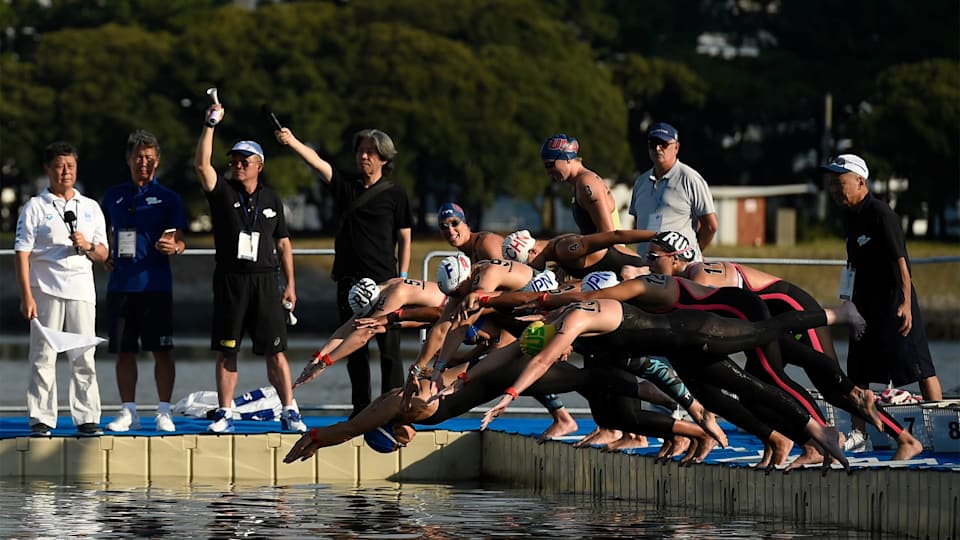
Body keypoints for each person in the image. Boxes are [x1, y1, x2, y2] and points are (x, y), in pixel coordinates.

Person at [479, 298, 864, 471]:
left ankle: (838, 313)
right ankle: (818, 432)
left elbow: (544, 358)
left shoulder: (573, 321)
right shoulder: (559, 319)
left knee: (768, 330)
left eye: (559, 351)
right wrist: (463, 376)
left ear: (549, 337)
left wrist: (510, 396)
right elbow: (514, 353)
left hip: (698, 331)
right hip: (686, 353)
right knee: (746, 387)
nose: (564, 356)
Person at [647, 230, 922, 460]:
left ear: (674, 258)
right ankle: (811, 441)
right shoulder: (687, 280)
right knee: (755, 390)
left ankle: (842, 441)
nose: (647, 263)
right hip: (768, 324)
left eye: (653, 256)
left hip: (790, 308)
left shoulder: (699, 277)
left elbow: (716, 327)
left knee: (821, 386)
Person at [283, 343, 721, 465]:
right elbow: (464, 371)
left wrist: (317, 437)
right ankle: (694, 422)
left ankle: (695, 418)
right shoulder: (409, 401)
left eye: (399, 443)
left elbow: (347, 430)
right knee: (605, 390)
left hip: (510, 363)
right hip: (507, 363)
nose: (407, 441)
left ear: (394, 430)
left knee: (602, 381)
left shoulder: (397, 407)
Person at [276, 126, 413, 417]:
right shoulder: (346, 187)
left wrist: (402, 275)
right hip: (349, 283)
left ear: (384, 158)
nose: (363, 156)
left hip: (384, 285)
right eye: (360, 151)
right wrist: (293, 141)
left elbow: (405, 237)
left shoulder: (396, 194)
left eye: (370, 152)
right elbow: (317, 162)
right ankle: (360, 409)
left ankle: (394, 407)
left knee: (389, 349)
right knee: (354, 352)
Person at [194, 102, 305, 434]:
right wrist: (210, 124)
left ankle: (289, 410)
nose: (237, 165)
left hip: (266, 282)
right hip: (230, 280)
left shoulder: (272, 198)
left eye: (245, 161)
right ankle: (225, 412)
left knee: (276, 352)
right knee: (228, 351)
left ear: (260, 165)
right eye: (234, 160)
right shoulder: (223, 192)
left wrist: (291, 285)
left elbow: (283, 243)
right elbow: (202, 165)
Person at [825, 154, 943, 442]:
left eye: (840, 183)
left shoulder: (881, 213)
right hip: (863, 305)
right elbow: (851, 265)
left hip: (894, 303)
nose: (834, 190)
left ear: (860, 182)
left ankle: (939, 432)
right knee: (858, 371)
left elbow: (900, 260)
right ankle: (859, 434)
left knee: (920, 367)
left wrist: (906, 302)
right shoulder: (850, 218)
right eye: (832, 184)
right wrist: (846, 300)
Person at [14, 141, 109, 437]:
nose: (65, 171)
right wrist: (26, 295)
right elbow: (22, 252)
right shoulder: (34, 207)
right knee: (43, 356)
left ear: (76, 168)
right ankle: (41, 419)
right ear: (48, 169)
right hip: (45, 290)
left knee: (83, 357)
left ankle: (87, 419)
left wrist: (88, 246)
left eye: (70, 165)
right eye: (59, 166)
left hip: (82, 291)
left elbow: (104, 253)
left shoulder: (91, 207)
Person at [100, 130, 187, 433]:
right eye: (138, 157)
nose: (144, 163)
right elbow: (100, 235)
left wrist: (174, 246)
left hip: (156, 286)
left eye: (149, 158)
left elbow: (179, 240)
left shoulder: (169, 198)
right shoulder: (112, 196)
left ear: (157, 161)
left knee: (162, 351)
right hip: (120, 286)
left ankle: (164, 410)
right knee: (124, 351)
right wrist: (102, 254)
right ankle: (128, 411)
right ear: (129, 159)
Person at [628, 122, 717, 261]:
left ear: (676, 147)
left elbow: (710, 226)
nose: (657, 148)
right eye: (653, 143)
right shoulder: (640, 182)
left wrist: (690, 254)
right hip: (646, 267)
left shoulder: (690, 179)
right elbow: (637, 222)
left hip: (680, 269)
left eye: (663, 144)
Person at [540, 134, 620, 234]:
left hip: (610, 249)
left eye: (550, 164)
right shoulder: (579, 184)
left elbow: (608, 234)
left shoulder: (587, 182)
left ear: (567, 158)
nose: (548, 171)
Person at [437, 202, 503, 262]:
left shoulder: (486, 242)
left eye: (454, 223)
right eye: (444, 226)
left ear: (465, 225)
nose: (450, 231)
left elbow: (504, 271)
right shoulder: (467, 254)